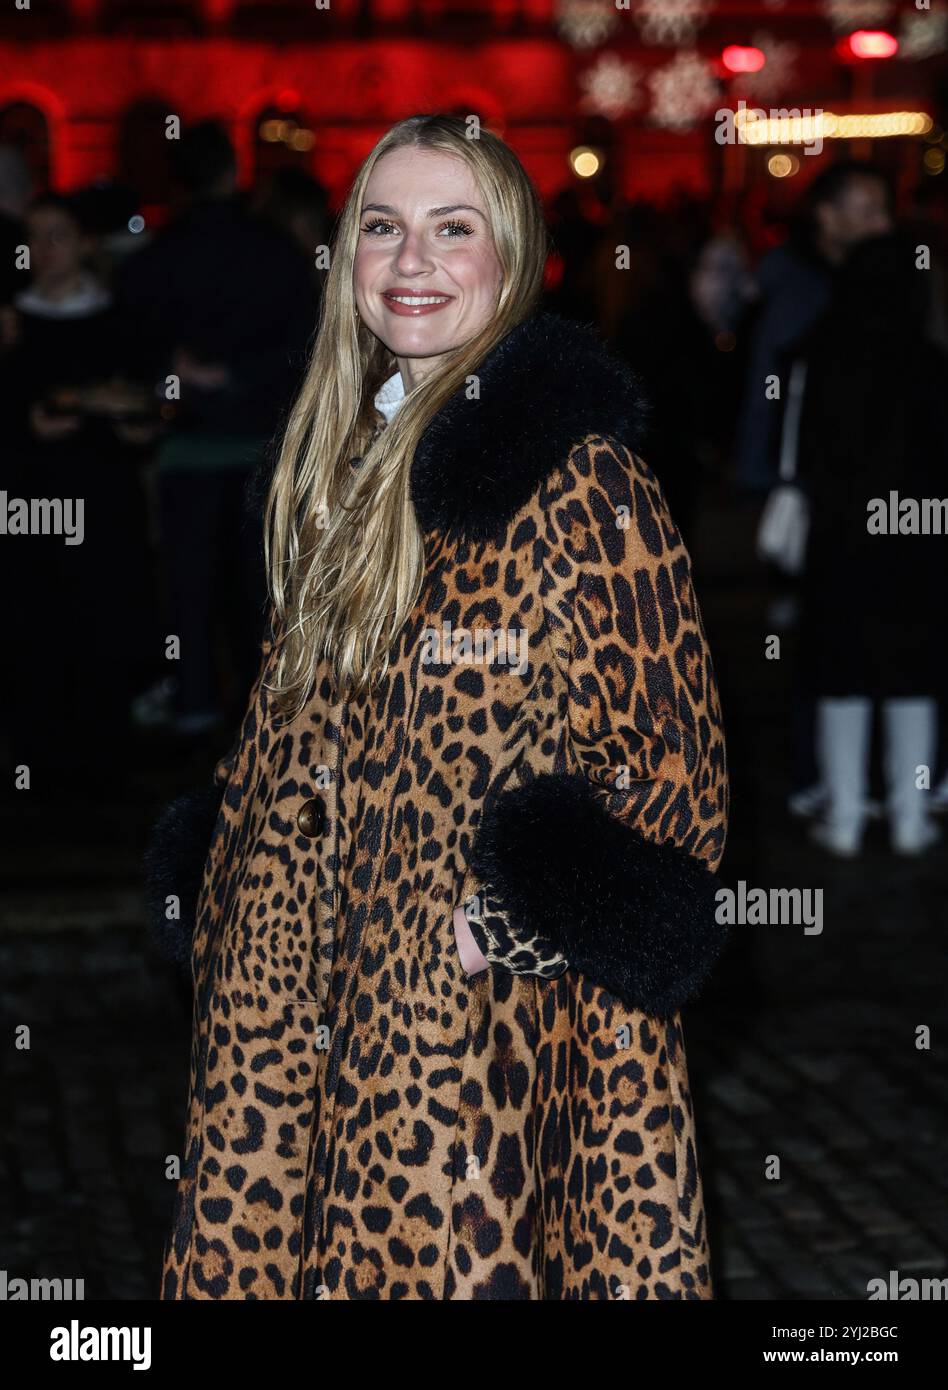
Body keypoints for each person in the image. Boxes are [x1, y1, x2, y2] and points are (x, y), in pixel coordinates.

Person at [148, 115, 729, 1301]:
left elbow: (673, 766)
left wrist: (511, 925)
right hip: (289, 998)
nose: (411, 262)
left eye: (451, 230)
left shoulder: (577, 476)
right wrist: (229, 886)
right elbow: (286, 726)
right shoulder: (332, 460)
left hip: (470, 1034)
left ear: (506, 260)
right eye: (384, 227)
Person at [115, 120, 317, 735]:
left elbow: (135, 343)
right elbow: (301, 344)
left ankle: (197, 703)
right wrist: (235, 376)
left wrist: (183, 378)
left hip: (188, 450)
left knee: (189, 590)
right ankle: (266, 719)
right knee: (261, 596)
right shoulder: (274, 251)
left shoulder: (157, 257)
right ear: (232, 172)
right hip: (261, 447)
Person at [792, 233, 945, 857]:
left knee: (842, 677)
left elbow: (806, 459)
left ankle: (847, 813)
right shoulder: (931, 366)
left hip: (843, 545)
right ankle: (910, 818)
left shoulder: (823, 356)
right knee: (913, 677)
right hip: (918, 546)